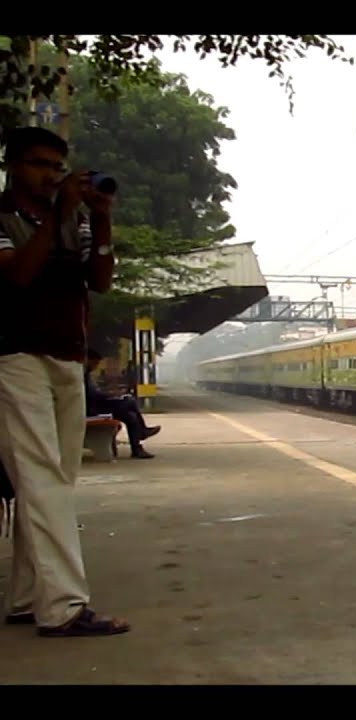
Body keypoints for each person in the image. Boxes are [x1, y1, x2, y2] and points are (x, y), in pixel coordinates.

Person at [0, 125, 130, 636]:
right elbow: (18, 274)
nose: (50, 175)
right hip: (15, 356)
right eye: (38, 165)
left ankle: (28, 597)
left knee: (55, 482)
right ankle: (64, 608)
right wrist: (57, 215)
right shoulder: (3, 216)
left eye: (56, 167)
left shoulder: (73, 218)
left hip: (66, 357)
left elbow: (98, 280)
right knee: (41, 478)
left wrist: (99, 223)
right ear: (12, 165)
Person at [85, 348, 160, 458]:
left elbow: (94, 393)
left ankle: (137, 448)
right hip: (92, 409)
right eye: (95, 363)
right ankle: (142, 433)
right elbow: (91, 395)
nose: (96, 366)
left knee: (131, 416)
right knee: (129, 401)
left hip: (96, 405)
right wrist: (109, 395)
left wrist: (110, 394)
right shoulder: (81, 375)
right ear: (87, 360)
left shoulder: (86, 374)